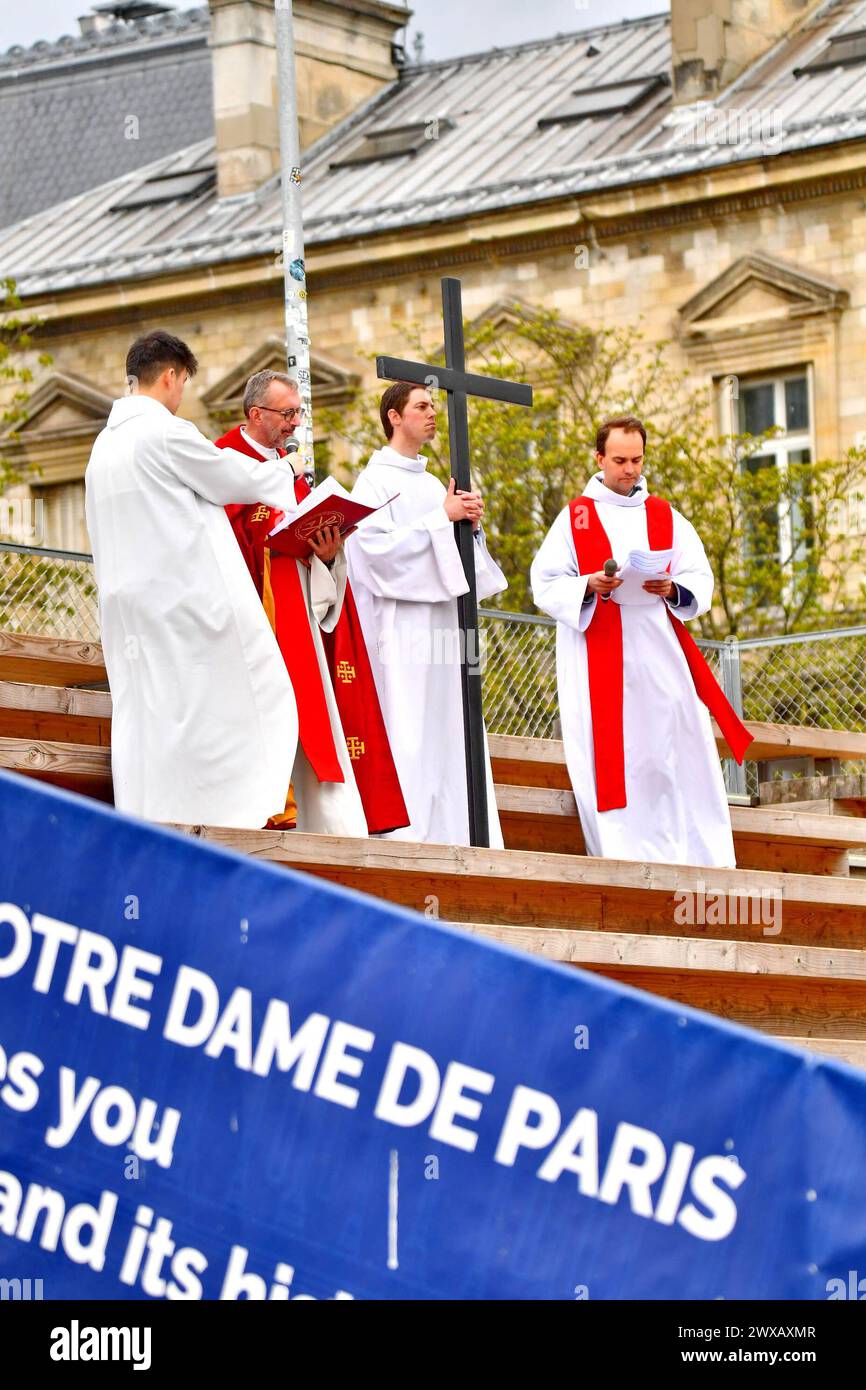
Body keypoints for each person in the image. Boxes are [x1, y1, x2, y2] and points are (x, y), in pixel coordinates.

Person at [85, 330, 308, 829]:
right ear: (171, 375)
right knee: (249, 692)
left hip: (127, 606)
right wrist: (288, 468)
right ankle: (224, 810)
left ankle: (151, 812)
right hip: (180, 599)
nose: (181, 393)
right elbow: (228, 476)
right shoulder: (164, 432)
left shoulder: (103, 446)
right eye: (183, 381)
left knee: (150, 713)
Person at [530, 415, 752, 868]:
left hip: (658, 653)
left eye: (636, 460)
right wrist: (589, 585)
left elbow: (698, 575)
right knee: (621, 755)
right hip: (599, 653)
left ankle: (694, 855)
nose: (629, 470)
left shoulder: (664, 514)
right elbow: (545, 582)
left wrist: (673, 588)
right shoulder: (575, 516)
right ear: (599, 458)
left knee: (674, 743)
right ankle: (626, 854)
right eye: (619, 460)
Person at [217, 370, 407, 836]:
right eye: (287, 413)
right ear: (255, 413)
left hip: (299, 618)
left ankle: (316, 818)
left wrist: (328, 552)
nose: (295, 424)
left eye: (298, 413)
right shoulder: (222, 460)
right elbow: (221, 540)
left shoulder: (292, 468)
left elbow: (301, 534)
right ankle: (270, 811)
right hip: (252, 619)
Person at [347, 381, 507, 846]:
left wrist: (470, 528)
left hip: (443, 626)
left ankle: (461, 833)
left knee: (450, 729)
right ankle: (410, 836)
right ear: (394, 417)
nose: (433, 412)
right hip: (403, 630)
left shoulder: (435, 482)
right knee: (411, 726)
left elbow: (456, 557)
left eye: (434, 404)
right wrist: (442, 519)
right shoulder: (374, 480)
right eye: (421, 405)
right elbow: (373, 554)